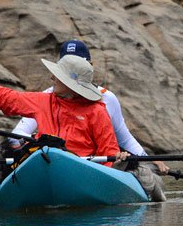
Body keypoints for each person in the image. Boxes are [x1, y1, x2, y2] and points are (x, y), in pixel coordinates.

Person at [9, 40, 167, 201]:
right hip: (52, 161)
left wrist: (150, 159)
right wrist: (34, 145)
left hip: (94, 165)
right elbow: (16, 136)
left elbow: (124, 138)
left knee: (143, 174)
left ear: (90, 66)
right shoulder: (47, 97)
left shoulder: (107, 98)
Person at [0, 53, 121, 166]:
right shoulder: (43, 101)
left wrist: (111, 168)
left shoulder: (96, 112)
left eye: (58, 75)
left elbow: (109, 153)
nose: (52, 78)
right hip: (46, 165)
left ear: (71, 84)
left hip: (83, 170)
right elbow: (3, 96)